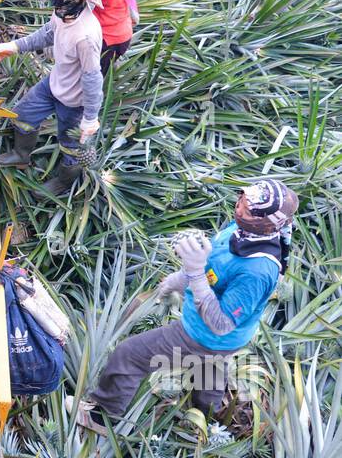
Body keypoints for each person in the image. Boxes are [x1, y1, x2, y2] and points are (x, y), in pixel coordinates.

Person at [75, 180, 299, 426]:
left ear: (263, 221)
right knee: (208, 370)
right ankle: (206, 418)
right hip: (227, 341)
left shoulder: (256, 271)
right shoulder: (243, 231)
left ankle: (102, 417)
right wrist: (180, 279)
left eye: (247, 209)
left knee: (129, 355)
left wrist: (193, 273)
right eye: (241, 201)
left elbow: (221, 324)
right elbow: (213, 262)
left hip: (204, 335)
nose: (238, 209)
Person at [0, 0, 103, 195]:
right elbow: (48, 33)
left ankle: (63, 182)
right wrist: (15, 46)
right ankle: (21, 155)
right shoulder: (63, 13)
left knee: (70, 146)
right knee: (24, 114)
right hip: (54, 84)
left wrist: (90, 117)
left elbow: (92, 78)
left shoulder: (86, 36)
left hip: (74, 101)